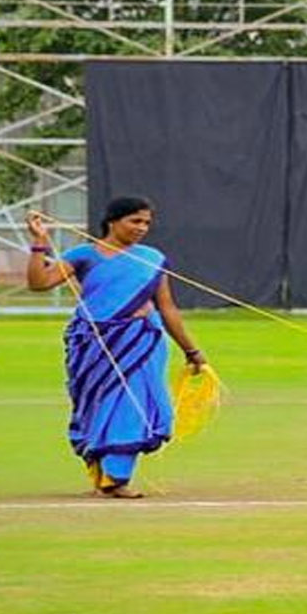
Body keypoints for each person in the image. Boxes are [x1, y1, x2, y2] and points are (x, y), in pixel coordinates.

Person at [25, 198, 207, 499]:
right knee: (97, 404)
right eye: (135, 221)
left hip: (140, 342)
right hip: (93, 344)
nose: (142, 228)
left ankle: (117, 477)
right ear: (113, 221)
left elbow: (167, 308)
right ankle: (103, 476)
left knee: (135, 406)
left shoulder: (151, 258)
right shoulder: (83, 255)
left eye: (146, 223)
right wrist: (40, 243)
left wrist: (192, 351)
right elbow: (39, 282)